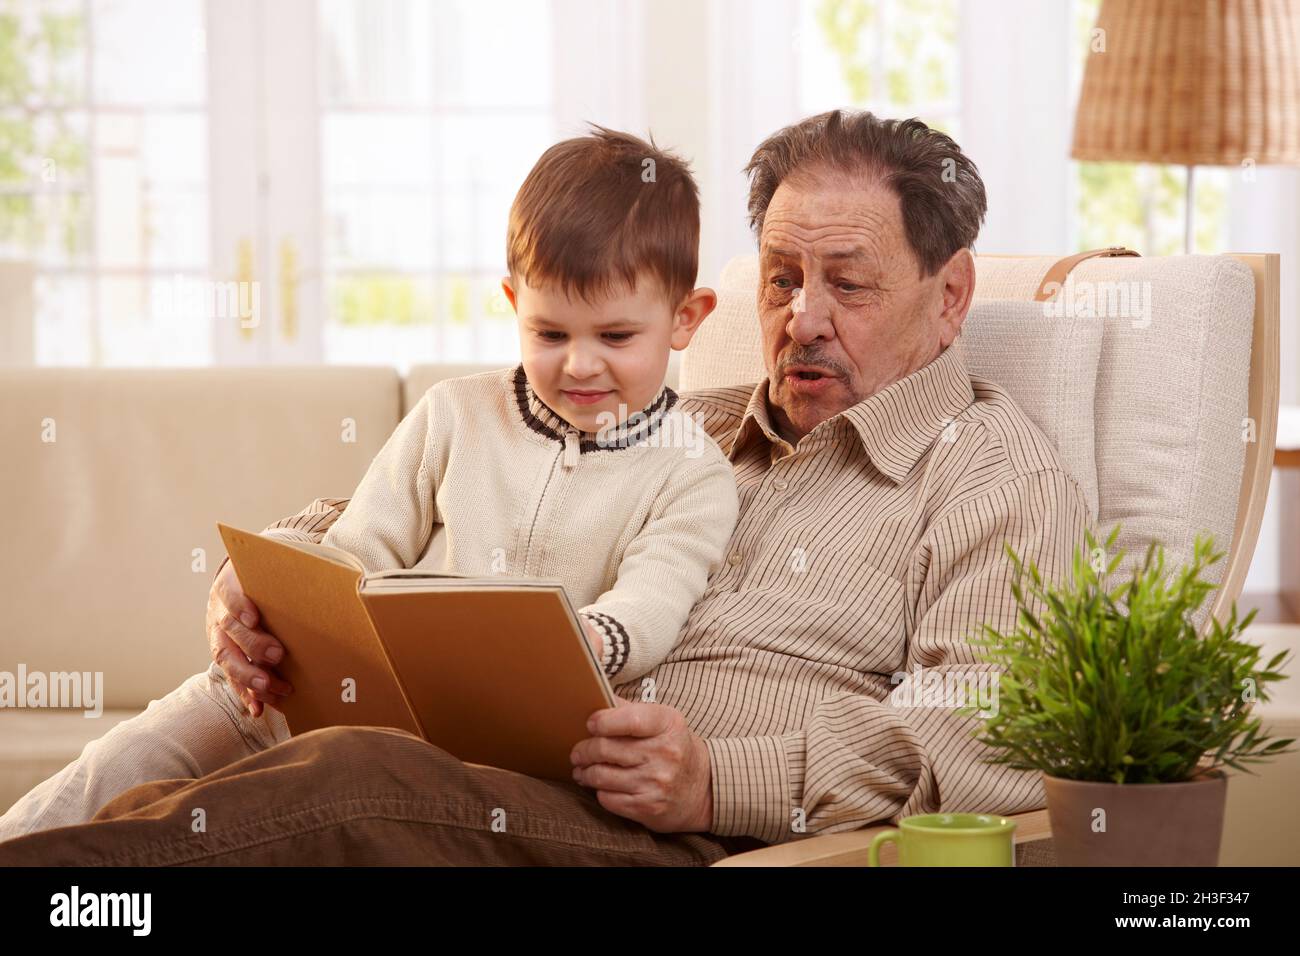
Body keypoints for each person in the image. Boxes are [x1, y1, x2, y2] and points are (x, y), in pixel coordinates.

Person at [0, 110, 1092, 865]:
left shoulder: (993, 472)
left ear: (950, 296)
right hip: (491, 772)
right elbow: (393, 511)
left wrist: (722, 778)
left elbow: (989, 736)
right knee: (188, 774)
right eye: (780, 277)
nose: (802, 316)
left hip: (665, 837)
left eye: (847, 283)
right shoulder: (691, 419)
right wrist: (265, 584)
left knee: (350, 781)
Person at [0, 125, 739, 839]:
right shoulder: (455, 412)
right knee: (127, 762)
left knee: (226, 828)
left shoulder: (692, 472)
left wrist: (547, 644)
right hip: (314, 701)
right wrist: (279, 601)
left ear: (685, 319)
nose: (579, 365)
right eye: (550, 333)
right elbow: (360, 549)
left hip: (455, 757)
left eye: (614, 337)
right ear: (514, 305)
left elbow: (648, 609)